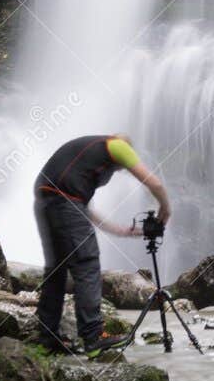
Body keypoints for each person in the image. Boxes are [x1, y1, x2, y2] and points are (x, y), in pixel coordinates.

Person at [32, 133, 171, 353]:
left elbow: (83, 209)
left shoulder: (87, 157)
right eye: (120, 167)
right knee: (87, 265)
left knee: (56, 271)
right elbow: (155, 183)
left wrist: (121, 231)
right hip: (64, 202)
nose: (118, 171)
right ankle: (94, 337)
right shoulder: (117, 145)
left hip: (45, 202)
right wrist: (166, 208)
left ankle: (46, 340)